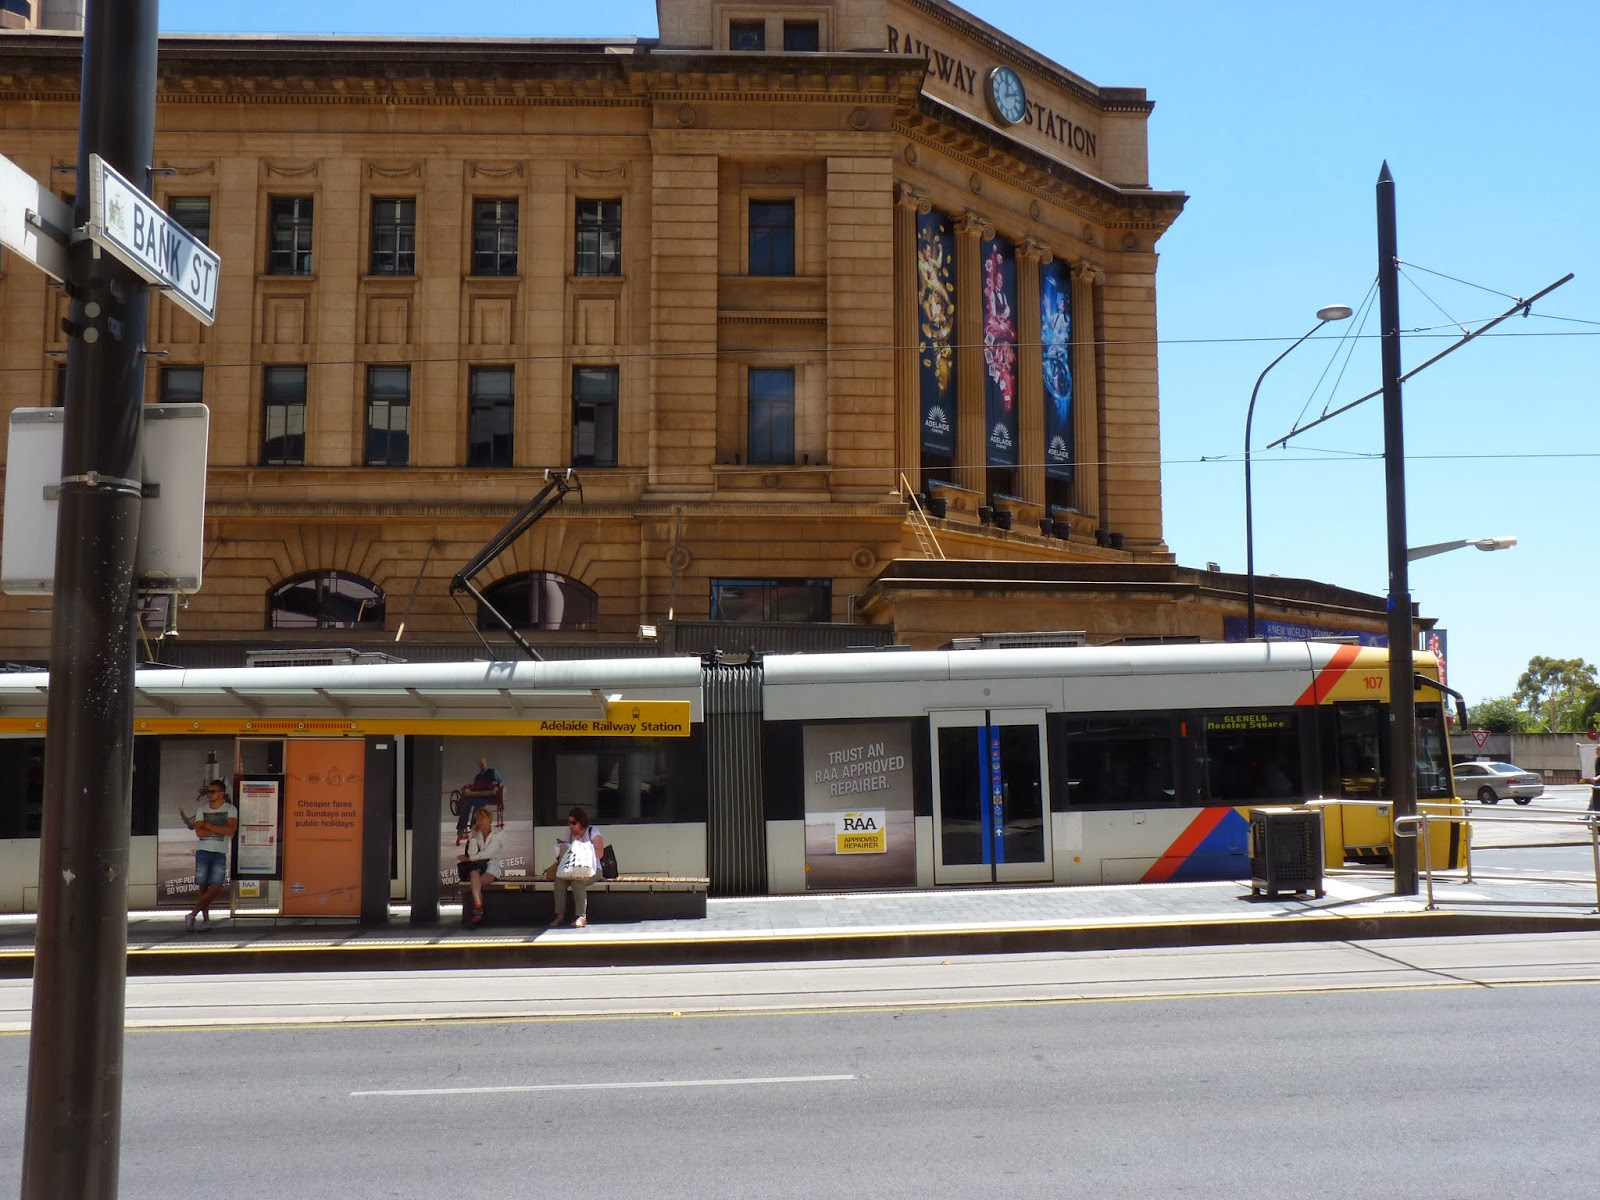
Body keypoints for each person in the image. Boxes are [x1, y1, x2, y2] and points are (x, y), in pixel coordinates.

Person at [184, 780, 237, 933]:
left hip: (219, 852)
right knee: (203, 886)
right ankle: (205, 920)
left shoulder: (230, 809)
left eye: (212, 792)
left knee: (216, 885)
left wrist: (209, 825)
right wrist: (220, 828)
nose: (209, 795)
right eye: (208, 792)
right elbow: (199, 832)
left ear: (221, 793)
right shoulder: (202, 809)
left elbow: (230, 831)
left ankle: (192, 914)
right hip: (203, 851)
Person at [550, 806, 605, 929]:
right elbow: (568, 853)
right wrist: (564, 846)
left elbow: (600, 853)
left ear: (581, 822)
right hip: (573, 867)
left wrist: (583, 850)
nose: (571, 825)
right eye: (569, 822)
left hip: (592, 868)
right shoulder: (569, 832)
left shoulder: (593, 832)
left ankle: (581, 916)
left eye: (574, 823)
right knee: (559, 881)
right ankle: (559, 915)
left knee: (577, 883)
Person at [458, 804, 505, 927]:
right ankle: (478, 904)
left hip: (491, 867)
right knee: (473, 874)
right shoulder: (475, 833)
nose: (480, 822)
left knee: (477, 883)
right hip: (478, 866)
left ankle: (478, 910)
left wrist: (469, 859)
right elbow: (472, 852)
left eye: (482, 818)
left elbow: (489, 853)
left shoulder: (499, 834)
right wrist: (473, 837)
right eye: (478, 819)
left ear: (489, 819)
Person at [455, 756, 504, 842]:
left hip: (489, 796)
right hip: (478, 796)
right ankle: (461, 829)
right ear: (478, 765)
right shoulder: (477, 777)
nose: (481, 764)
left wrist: (498, 783)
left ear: (485, 762)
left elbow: (501, 782)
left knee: (478, 805)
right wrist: (468, 786)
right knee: (465, 803)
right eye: (480, 763)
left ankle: (474, 827)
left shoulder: (493, 772)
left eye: (483, 762)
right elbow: (475, 789)